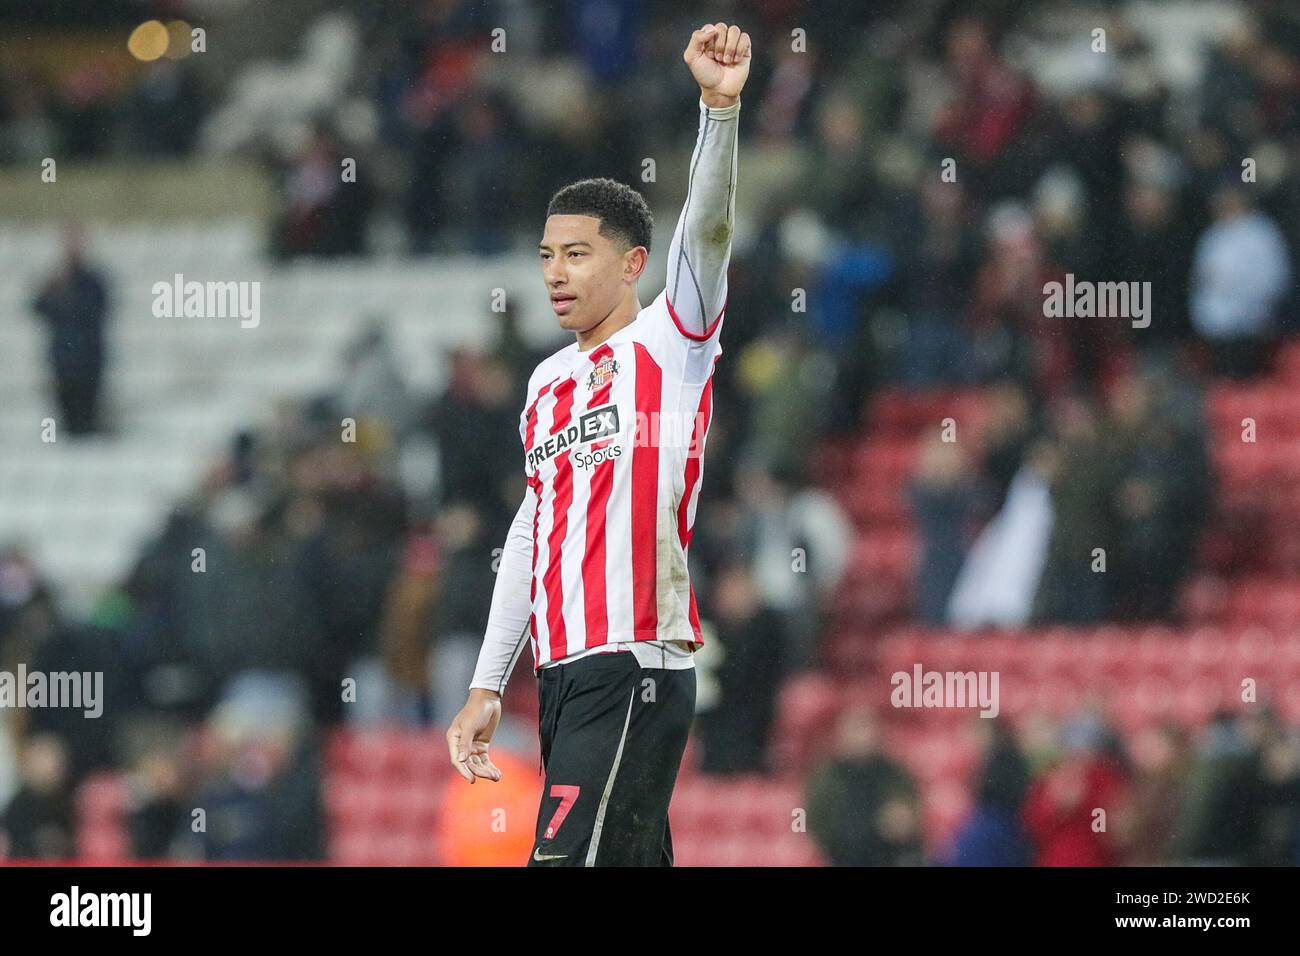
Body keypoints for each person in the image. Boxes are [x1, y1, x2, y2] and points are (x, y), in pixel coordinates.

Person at [445, 22, 752, 867]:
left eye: (578, 254)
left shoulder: (672, 340)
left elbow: (710, 231)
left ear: (632, 265)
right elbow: (531, 536)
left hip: (634, 663)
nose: (555, 273)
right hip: (563, 675)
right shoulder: (544, 386)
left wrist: (717, 112)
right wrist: (484, 685)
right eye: (547, 255)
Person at [31, 224, 111, 436]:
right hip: (63, 359)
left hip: (88, 358)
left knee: (87, 415)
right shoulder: (56, 280)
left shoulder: (93, 281)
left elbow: (97, 310)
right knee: (66, 415)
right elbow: (38, 308)